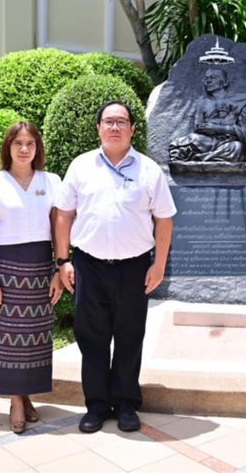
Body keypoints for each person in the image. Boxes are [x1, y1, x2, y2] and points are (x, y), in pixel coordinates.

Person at [54, 101, 176, 433]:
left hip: (134, 268)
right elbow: (63, 215)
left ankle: (125, 403)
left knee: (129, 336)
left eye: (121, 121)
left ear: (133, 129)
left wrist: (159, 265)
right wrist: (63, 261)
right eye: (108, 121)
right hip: (89, 266)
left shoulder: (149, 170)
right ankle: (96, 404)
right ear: (98, 128)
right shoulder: (81, 166)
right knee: (91, 338)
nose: (115, 127)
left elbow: (164, 220)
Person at [0, 122, 63, 434]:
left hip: (39, 269)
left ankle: (25, 396)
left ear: (38, 148)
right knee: (8, 338)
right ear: (8, 147)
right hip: (5, 268)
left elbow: (58, 230)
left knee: (33, 339)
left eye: (30, 143)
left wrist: (58, 270)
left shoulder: (51, 181)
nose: (24, 149)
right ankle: (15, 400)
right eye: (18, 143)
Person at [168, 68, 246, 162]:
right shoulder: (202, 103)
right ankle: (205, 156)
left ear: (225, 82)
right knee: (192, 139)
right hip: (207, 141)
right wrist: (210, 127)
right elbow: (198, 127)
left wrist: (218, 128)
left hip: (229, 143)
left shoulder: (242, 100)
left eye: (213, 77)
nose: (208, 81)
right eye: (206, 78)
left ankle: (200, 157)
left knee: (237, 147)